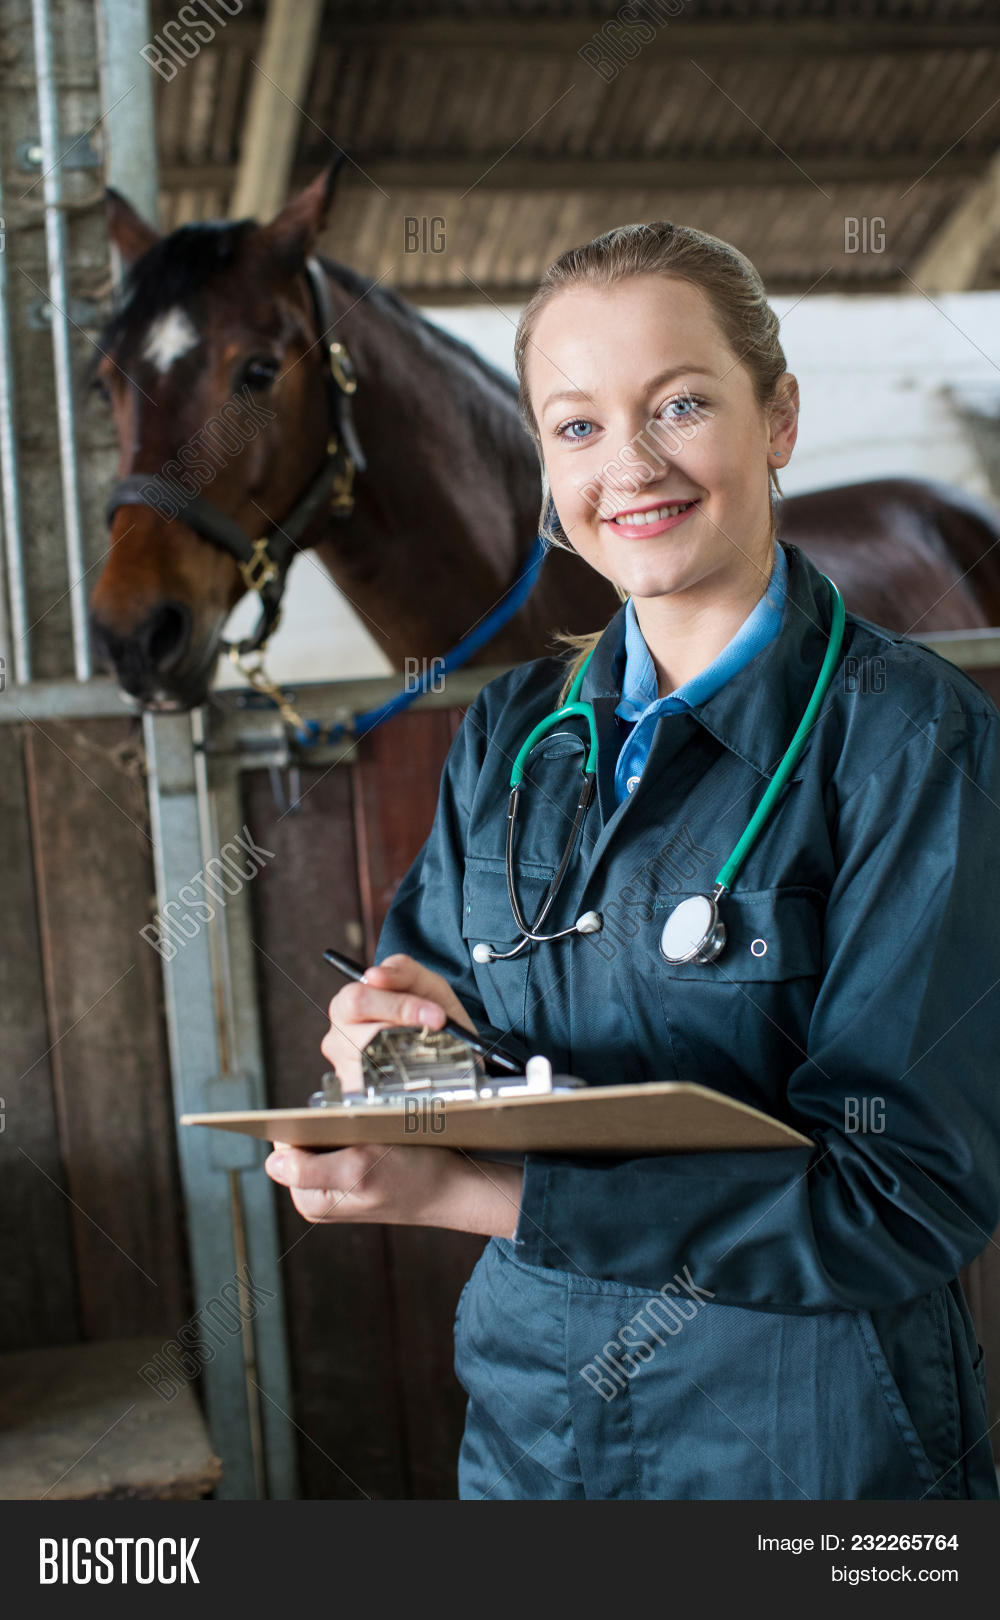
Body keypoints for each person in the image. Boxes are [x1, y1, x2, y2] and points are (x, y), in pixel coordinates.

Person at [266, 222, 1000, 1501]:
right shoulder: (509, 738)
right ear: (545, 465)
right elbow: (435, 1019)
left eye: (680, 405)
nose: (633, 465)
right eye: (579, 426)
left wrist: (471, 1196)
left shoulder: (907, 742)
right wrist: (387, 1053)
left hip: (813, 1450)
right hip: (532, 1433)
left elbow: (899, 1197)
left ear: (776, 419)